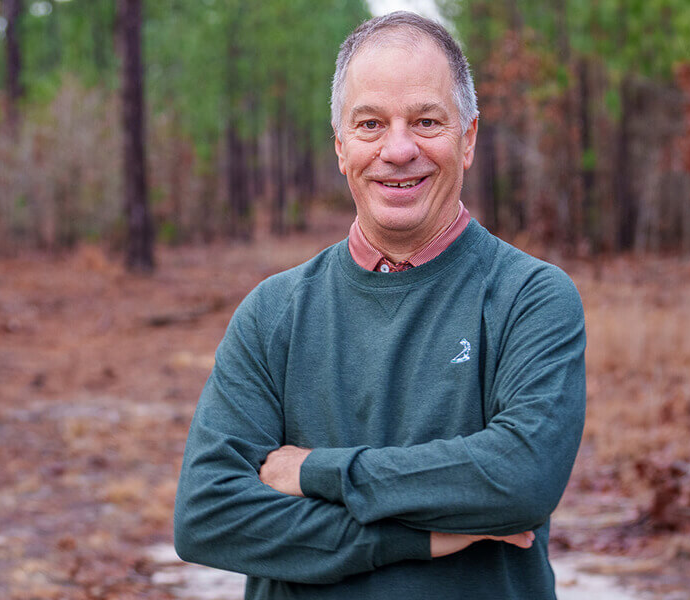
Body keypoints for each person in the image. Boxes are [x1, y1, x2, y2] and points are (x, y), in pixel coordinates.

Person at [173, 11, 586, 600]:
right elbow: (208, 517)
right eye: (371, 124)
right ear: (341, 147)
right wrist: (416, 539)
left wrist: (317, 471)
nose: (398, 149)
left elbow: (521, 478)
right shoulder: (274, 313)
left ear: (467, 139)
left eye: (426, 121)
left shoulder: (530, 298)